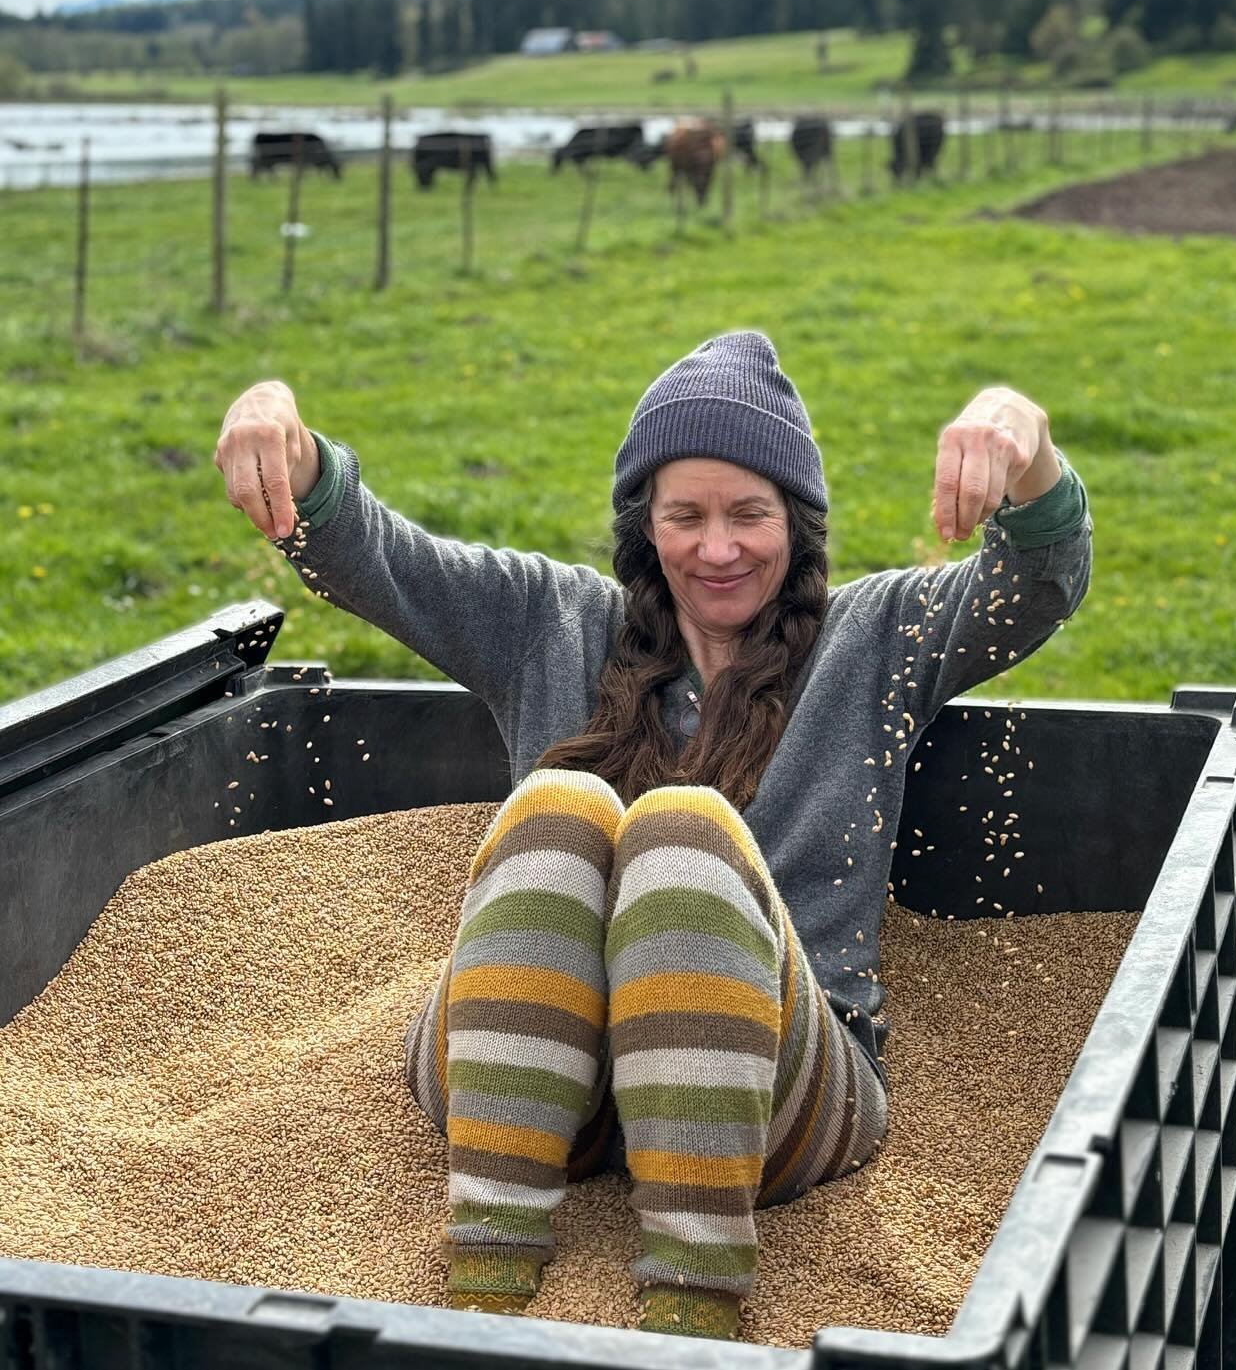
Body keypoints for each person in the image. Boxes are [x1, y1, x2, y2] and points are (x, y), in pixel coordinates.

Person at [213, 331, 1092, 1339]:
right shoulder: (551, 619)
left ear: (798, 525)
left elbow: (1036, 583)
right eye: (687, 515)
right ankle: (483, 1293)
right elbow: (377, 556)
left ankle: (692, 1306)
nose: (718, 548)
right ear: (646, 525)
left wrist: (1020, 436)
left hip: (773, 1095)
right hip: (536, 1080)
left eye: (749, 513)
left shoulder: (875, 637)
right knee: (564, 806)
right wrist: (281, 423)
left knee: (681, 828)